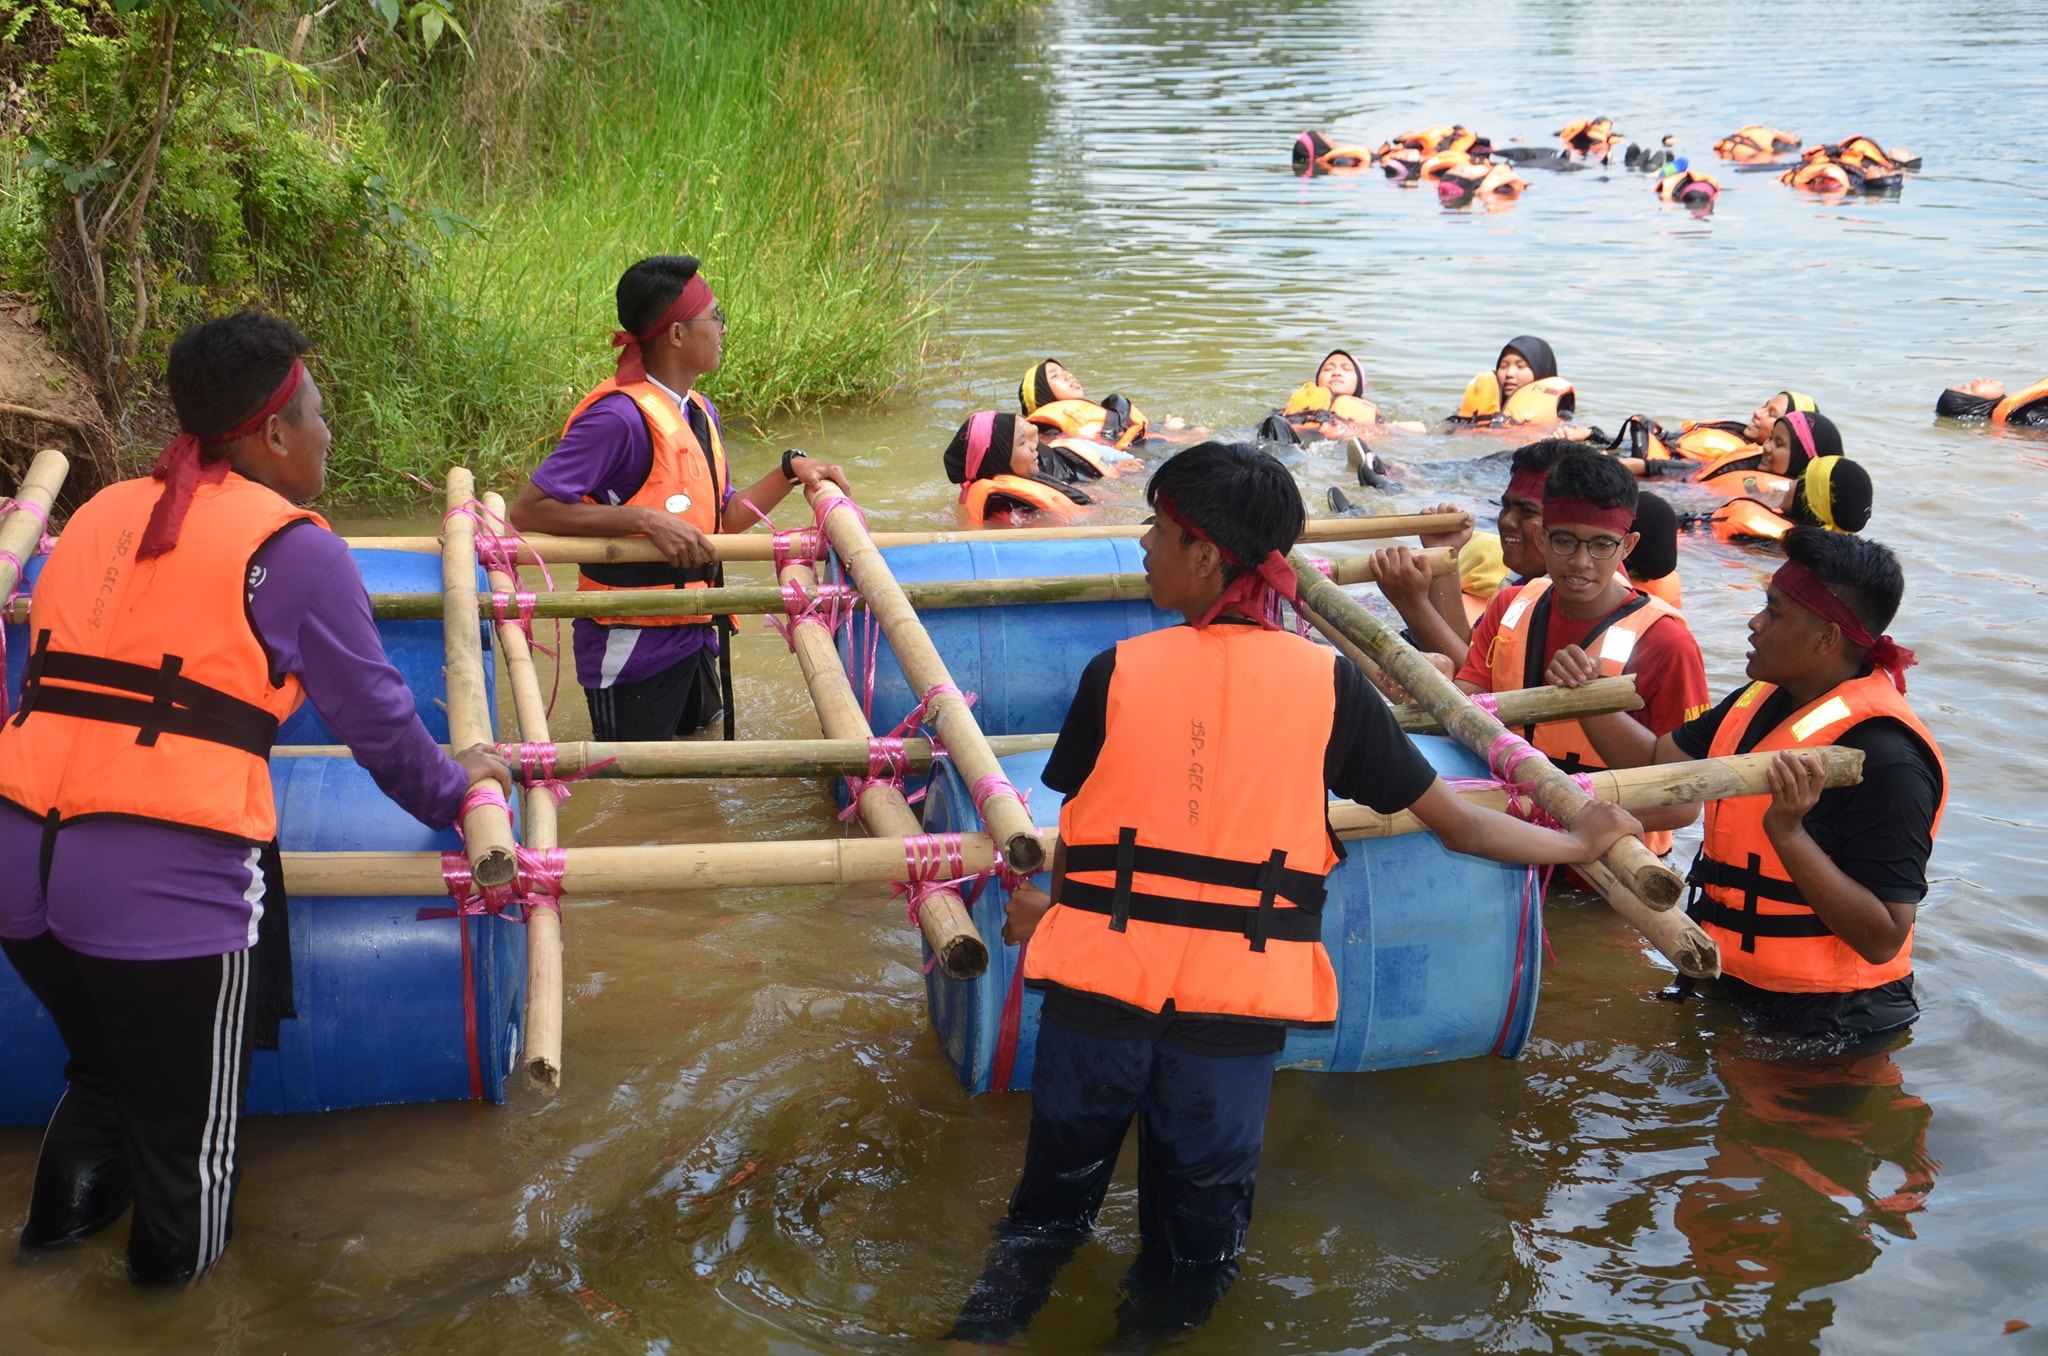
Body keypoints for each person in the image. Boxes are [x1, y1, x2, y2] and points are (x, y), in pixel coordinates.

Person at [948, 440, 1642, 1344]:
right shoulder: (1328, 684)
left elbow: (1091, 826)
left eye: (1156, 528)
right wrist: (1576, 836)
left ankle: (978, 1336)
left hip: (1098, 998)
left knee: (1046, 1216)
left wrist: (1047, 908)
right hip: (1229, 1019)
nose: (1143, 546)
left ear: (1206, 554)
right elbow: (1463, 825)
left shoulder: (1117, 671)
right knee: (1193, 1247)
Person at [0, 312, 510, 1284]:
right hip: (158, 880)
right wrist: (462, 789)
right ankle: (169, 1324)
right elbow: (379, 724)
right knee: (188, 1147)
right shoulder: (297, 549)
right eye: (319, 414)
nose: (329, 433)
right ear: (272, 434)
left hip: (17, 855)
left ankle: (36, 1282)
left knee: (105, 1079)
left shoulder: (103, 511)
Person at [1563, 528, 1942, 1046]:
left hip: (1835, 1023)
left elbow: (1883, 937)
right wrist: (1588, 697)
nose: (1754, 622)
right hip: (1734, 984)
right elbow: (1657, 764)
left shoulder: (1888, 758)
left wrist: (1789, 833)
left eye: (1775, 611)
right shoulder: (1760, 697)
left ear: (1827, 637)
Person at [508, 255, 847, 743]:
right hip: (631, 649)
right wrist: (645, 521)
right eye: (715, 316)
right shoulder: (618, 418)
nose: (724, 328)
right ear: (677, 335)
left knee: (690, 792)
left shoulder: (699, 411)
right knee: (635, 799)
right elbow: (530, 509)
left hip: (695, 633)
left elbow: (722, 520)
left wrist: (789, 471)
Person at [1452, 452, 1711, 852]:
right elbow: (1463, 709)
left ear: (1628, 546)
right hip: (1512, 845)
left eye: (1602, 544)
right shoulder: (1509, 605)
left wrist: (1591, 697)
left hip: (1612, 866)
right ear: (1542, 537)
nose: (1580, 561)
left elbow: (1684, 804)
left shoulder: (1667, 642)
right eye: (1564, 540)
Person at [1371, 438, 1575, 670]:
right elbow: (1472, 656)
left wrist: (1410, 602)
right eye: (1505, 506)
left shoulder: (1571, 594)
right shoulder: (1526, 583)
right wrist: (1444, 554)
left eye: (1527, 511)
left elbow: (1469, 688)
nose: (1507, 520)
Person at [944, 411, 1091, 527]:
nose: (1034, 446)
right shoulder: (1002, 511)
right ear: (999, 460)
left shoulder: (1021, 485)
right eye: (1022, 443)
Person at [1448, 335, 1576, 428]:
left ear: (1541, 369)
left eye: (1520, 366)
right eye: (1503, 366)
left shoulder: (1561, 415)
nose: (1509, 373)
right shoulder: (1474, 413)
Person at [1935, 377, 2048, 428]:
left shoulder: (2023, 408)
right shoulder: (2026, 415)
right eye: (1969, 387)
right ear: (1974, 406)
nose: (1977, 380)